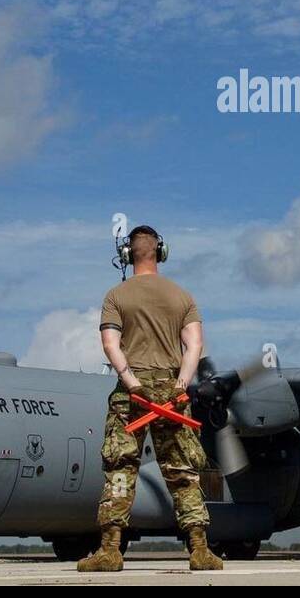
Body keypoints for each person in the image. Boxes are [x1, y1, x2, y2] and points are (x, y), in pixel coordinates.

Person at [77, 225, 223, 572]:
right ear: (161, 252)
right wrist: (181, 385)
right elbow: (195, 345)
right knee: (182, 469)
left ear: (128, 255)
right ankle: (200, 550)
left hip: (133, 394)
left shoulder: (116, 296)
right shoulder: (182, 297)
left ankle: (110, 551)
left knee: (120, 468)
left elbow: (110, 344)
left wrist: (131, 382)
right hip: (172, 393)